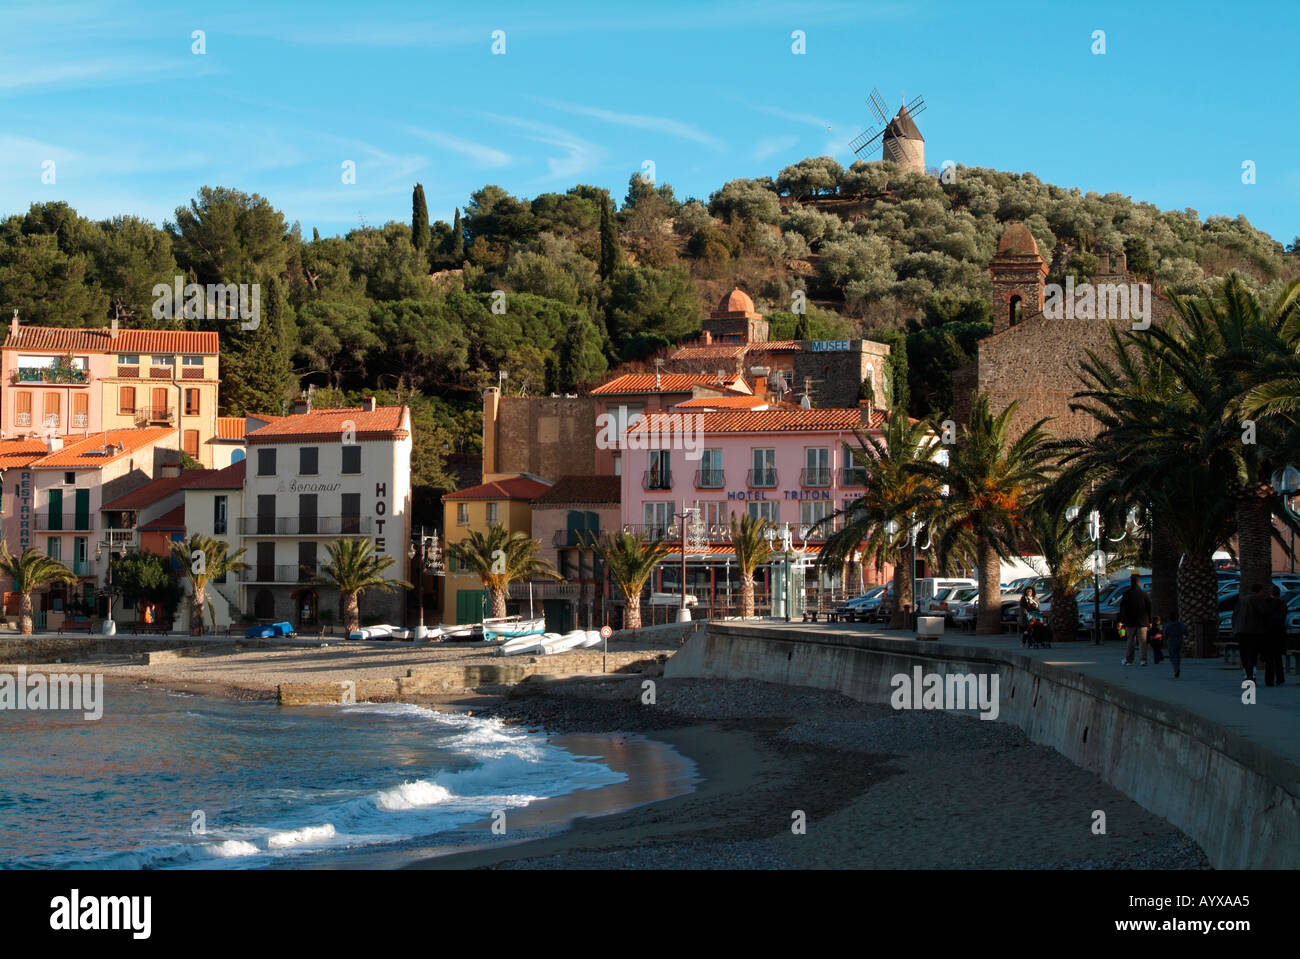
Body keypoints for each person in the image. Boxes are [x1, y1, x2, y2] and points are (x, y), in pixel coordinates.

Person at [1233, 583, 1269, 684]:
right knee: (1252, 654)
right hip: (1253, 631)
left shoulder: (1242, 600)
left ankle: (1246, 673)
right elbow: (1264, 612)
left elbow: (1235, 614)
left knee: (1244, 653)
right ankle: (1251, 675)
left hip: (1240, 631)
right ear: (1260, 591)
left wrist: (1235, 628)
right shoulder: (1257, 599)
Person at [1119, 573, 1152, 665]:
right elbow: (1149, 608)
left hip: (1130, 622)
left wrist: (1121, 621)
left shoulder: (1126, 594)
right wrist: (1150, 621)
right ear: (1139, 583)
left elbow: (1122, 608)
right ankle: (1143, 660)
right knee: (1143, 642)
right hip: (1142, 622)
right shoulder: (1144, 594)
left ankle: (1129, 660)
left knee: (1130, 641)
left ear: (1131, 583)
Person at [1263, 584, 1287, 687]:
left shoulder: (1266, 604)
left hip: (1268, 634)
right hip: (1279, 633)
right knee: (1278, 658)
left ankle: (1269, 680)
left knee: (1269, 659)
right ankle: (1280, 679)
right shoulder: (1282, 604)